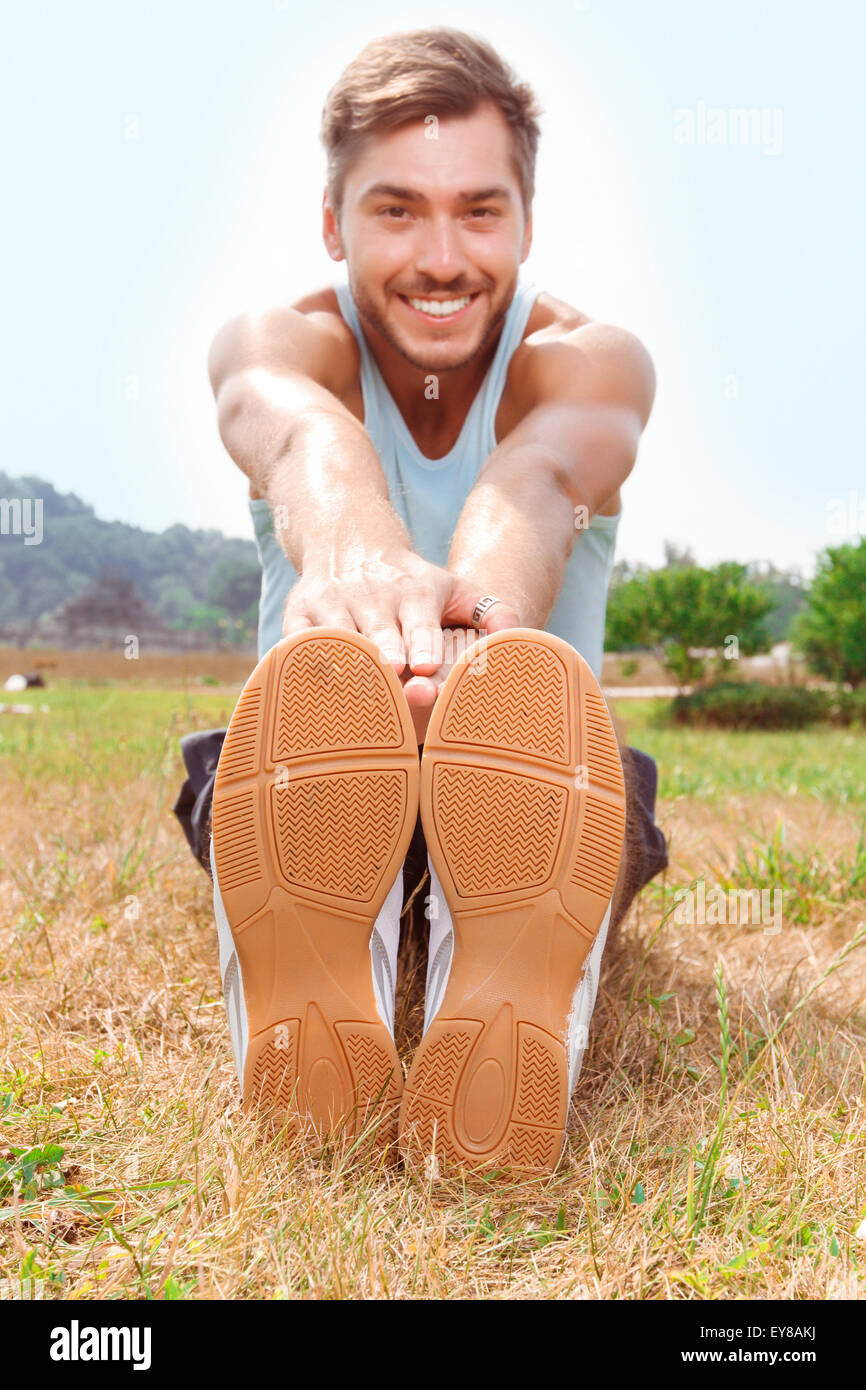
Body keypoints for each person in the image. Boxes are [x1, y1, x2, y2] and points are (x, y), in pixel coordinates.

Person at [174, 26, 668, 1172]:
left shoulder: (591, 360)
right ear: (333, 223)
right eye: (396, 209)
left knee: (576, 788)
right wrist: (353, 565)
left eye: (477, 211)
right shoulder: (278, 342)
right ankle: (357, 981)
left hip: (536, 770)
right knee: (256, 768)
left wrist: (463, 645)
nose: (441, 254)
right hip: (309, 762)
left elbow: (535, 479)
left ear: (526, 226)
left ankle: (477, 976)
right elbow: (298, 432)